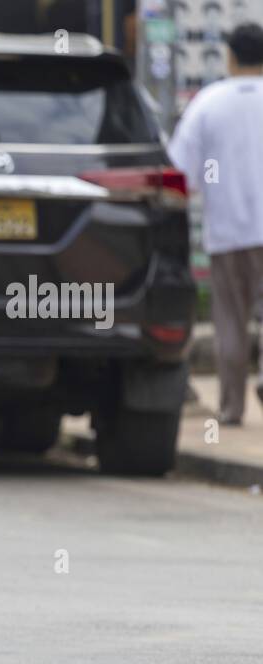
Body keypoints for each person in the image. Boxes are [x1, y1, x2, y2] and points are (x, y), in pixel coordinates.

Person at [169, 22, 263, 425]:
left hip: (227, 232)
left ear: (230, 56)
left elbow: (180, 173)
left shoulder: (208, 103)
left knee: (230, 324)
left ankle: (231, 409)